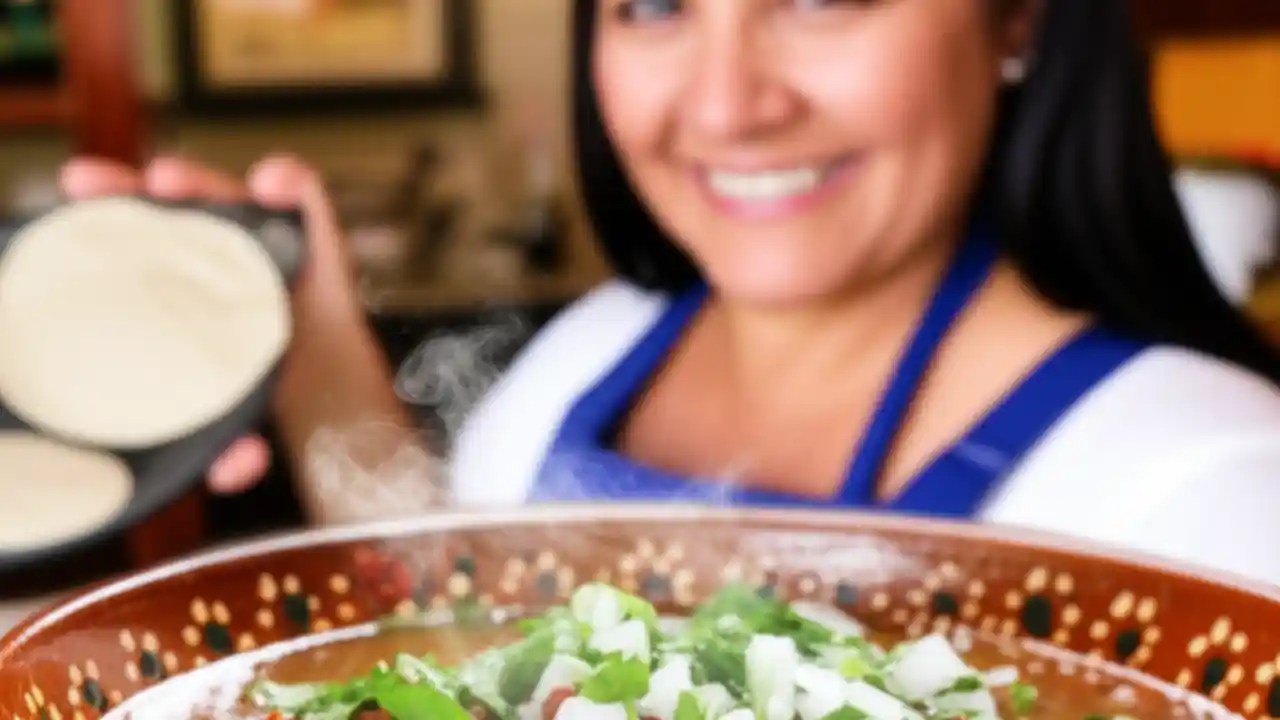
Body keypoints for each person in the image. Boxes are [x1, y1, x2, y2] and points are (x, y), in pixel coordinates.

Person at [62, 0, 1280, 582]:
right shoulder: (599, 347)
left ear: (1014, 20)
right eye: (652, 8)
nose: (722, 104)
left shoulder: (1209, 488)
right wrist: (314, 351)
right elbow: (452, 619)